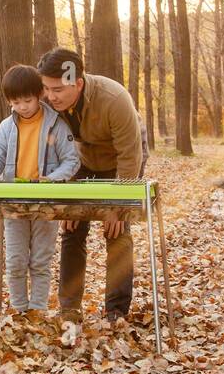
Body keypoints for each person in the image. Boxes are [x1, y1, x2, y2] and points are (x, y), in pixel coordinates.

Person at [37, 47, 147, 323]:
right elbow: (52, 153)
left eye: (58, 90)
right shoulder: (48, 104)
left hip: (122, 161)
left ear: (79, 83)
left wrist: (116, 206)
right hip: (81, 162)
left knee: (117, 231)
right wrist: (68, 203)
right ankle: (69, 308)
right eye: (47, 89)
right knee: (72, 228)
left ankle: (115, 310)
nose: (51, 96)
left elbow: (130, 156)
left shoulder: (114, 99)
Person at [0, 65, 80, 315]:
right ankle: (18, 310)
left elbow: (71, 160)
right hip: (15, 203)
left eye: (28, 100)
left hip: (46, 202)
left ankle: (37, 311)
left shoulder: (56, 124)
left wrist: (53, 180)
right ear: (9, 101)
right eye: (16, 102)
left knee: (40, 261)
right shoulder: (5, 128)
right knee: (15, 262)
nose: (23, 107)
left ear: (39, 95)